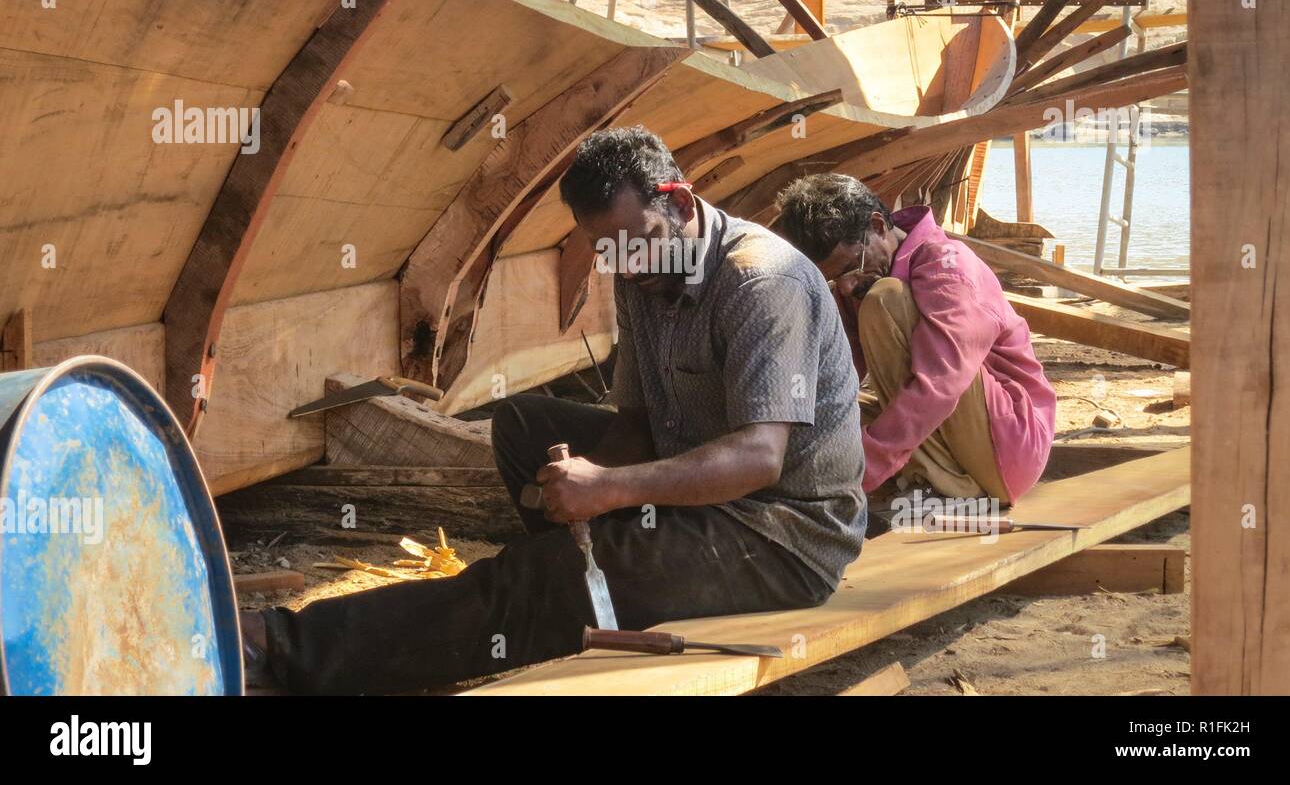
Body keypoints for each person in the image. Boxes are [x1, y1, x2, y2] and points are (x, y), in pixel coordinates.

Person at [240, 126, 866, 694]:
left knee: (533, 578)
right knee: (521, 425)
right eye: (608, 251)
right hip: (706, 489)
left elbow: (759, 457)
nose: (627, 265)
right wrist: (581, 485)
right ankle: (595, 585)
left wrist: (610, 488)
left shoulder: (763, 282)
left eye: (638, 246)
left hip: (781, 533)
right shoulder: (640, 271)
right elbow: (639, 426)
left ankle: (289, 646)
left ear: (678, 202)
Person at [771, 173, 1056, 505]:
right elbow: (837, 376)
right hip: (959, 436)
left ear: (878, 226)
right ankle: (931, 474)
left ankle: (953, 484)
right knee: (819, 419)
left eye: (850, 267)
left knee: (885, 299)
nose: (847, 287)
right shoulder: (863, 278)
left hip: (1009, 450)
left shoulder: (948, 264)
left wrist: (862, 469)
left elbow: (941, 383)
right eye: (832, 280)